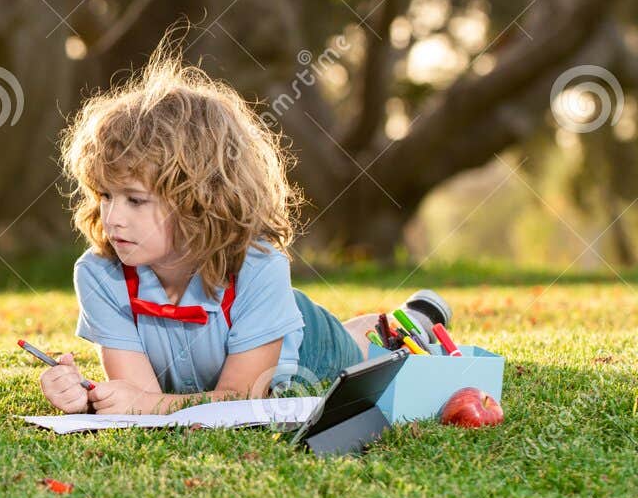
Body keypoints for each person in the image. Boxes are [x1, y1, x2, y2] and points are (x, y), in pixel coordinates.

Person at [38, 39, 451, 416]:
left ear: (199, 199)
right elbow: (139, 398)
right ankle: (402, 316)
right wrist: (85, 397)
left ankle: (418, 316)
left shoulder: (259, 267)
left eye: (135, 200)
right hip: (259, 334)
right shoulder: (99, 274)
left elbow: (241, 397)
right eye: (104, 196)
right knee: (363, 331)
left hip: (312, 351)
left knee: (369, 348)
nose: (112, 218)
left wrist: (144, 404)